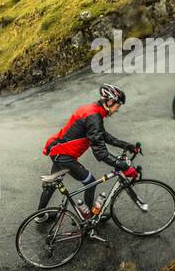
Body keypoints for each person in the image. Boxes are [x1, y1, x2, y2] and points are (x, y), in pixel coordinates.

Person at [35, 85, 139, 221]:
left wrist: (127, 146)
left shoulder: (93, 112)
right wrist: (124, 167)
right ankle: (88, 219)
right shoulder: (94, 117)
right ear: (110, 102)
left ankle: (40, 216)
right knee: (90, 182)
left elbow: (102, 135)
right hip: (64, 155)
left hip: (58, 150)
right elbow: (100, 153)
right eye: (117, 106)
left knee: (52, 184)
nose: (117, 110)